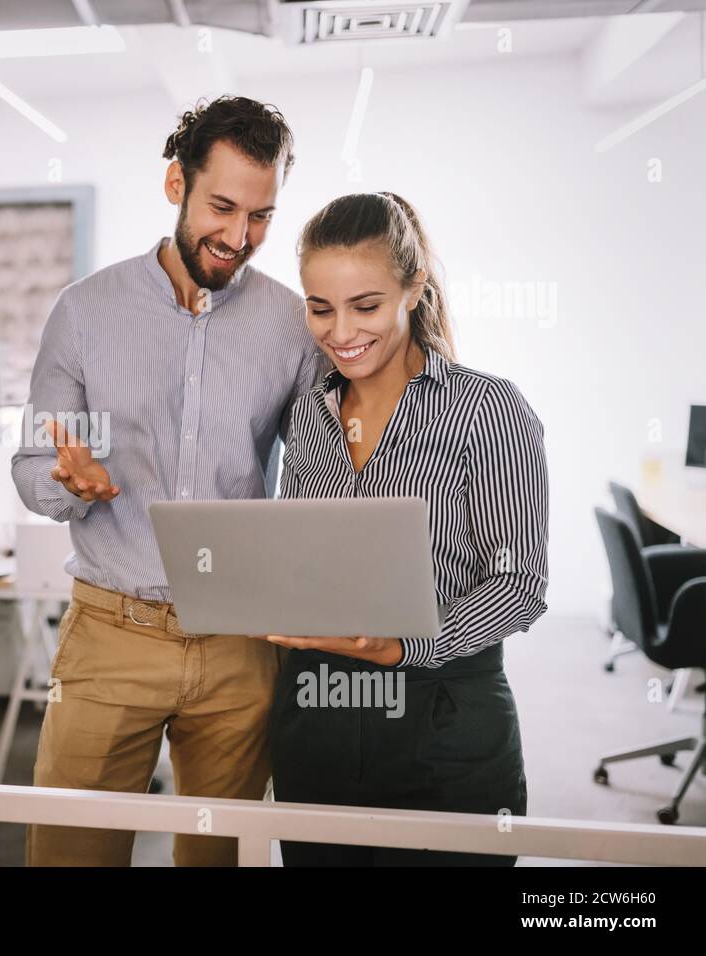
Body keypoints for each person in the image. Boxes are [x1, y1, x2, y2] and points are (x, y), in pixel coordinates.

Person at [12, 96, 324, 866]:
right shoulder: (85, 312)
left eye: (261, 216)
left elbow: (321, 476)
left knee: (216, 862)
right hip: (111, 635)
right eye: (222, 206)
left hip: (239, 645)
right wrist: (72, 484)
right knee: (69, 855)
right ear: (174, 184)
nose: (238, 236)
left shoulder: (291, 324)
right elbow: (31, 468)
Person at [267, 191, 549, 865]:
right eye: (320, 308)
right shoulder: (306, 415)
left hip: (443, 718)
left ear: (413, 288)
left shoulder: (488, 408)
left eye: (365, 306)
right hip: (318, 713)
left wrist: (402, 645)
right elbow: (290, 557)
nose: (340, 332)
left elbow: (521, 585)